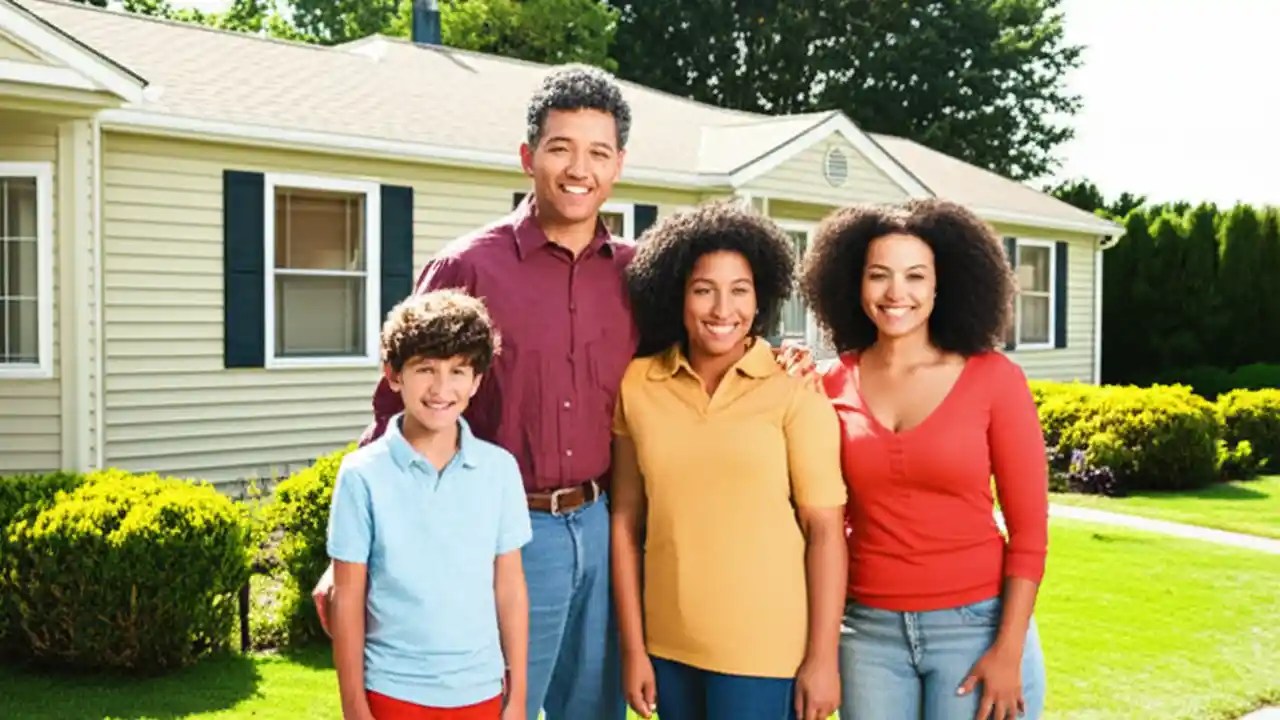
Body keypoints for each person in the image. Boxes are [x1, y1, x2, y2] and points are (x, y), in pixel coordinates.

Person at [314, 64, 812, 720]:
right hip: (505, 536)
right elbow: (395, 409)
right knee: (500, 704)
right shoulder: (468, 267)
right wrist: (355, 555)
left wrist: (784, 356)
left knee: (595, 711)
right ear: (528, 158)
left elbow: (708, 342)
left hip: (607, 527)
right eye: (561, 148)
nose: (580, 168)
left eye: (598, 153)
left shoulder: (641, 276)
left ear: (618, 166)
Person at [799, 199, 1049, 720]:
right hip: (867, 633)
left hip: (976, 624)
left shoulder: (994, 379)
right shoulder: (826, 383)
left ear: (942, 285)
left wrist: (1008, 650)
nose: (897, 293)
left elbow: (1029, 533)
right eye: (879, 275)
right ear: (854, 283)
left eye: (916, 276)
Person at [609, 201, 848, 720]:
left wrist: (823, 658)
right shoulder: (637, 384)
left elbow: (826, 530)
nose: (723, 308)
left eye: (740, 289)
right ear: (678, 294)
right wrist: (633, 649)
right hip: (667, 647)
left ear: (761, 297)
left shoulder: (794, 388)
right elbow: (626, 523)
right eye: (703, 290)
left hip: (766, 650)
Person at [326, 290, 531, 720]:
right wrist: (354, 708)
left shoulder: (499, 471)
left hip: (479, 691)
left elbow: (510, 588)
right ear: (394, 375)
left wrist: (518, 698)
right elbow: (346, 600)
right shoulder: (362, 474)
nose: (441, 388)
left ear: (477, 381)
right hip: (391, 691)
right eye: (425, 369)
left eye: (458, 371)